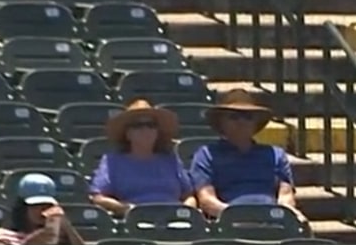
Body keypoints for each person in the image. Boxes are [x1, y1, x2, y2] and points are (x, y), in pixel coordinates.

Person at [189, 88, 303, 221]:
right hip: (229, 222)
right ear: (221, 122)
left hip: (272, 219)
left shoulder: (275, 155)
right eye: (234, 117)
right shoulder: (206, 155)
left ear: (255, 123)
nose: (241, 122)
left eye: (248, 117)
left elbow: (285, 195)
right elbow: (206, 200)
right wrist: (238, 216)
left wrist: (286, 212)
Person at [88, 99, 195, 216]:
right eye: (138, 126)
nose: (146, 130)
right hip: (135, 221)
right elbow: (98, 197)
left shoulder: (171, 160)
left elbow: (189, 195)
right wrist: (123, 208)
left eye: (151, 125)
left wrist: (186, 210)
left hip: (175, 220)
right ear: (127, 134)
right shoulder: (112, 162)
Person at [0, 173, 87, 245]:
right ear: (23, 208)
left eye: (47, 205)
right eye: (35, 205)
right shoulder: (6, 236)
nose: (42, 210)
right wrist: (30, 244)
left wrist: (68, 228)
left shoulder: (60, 235)